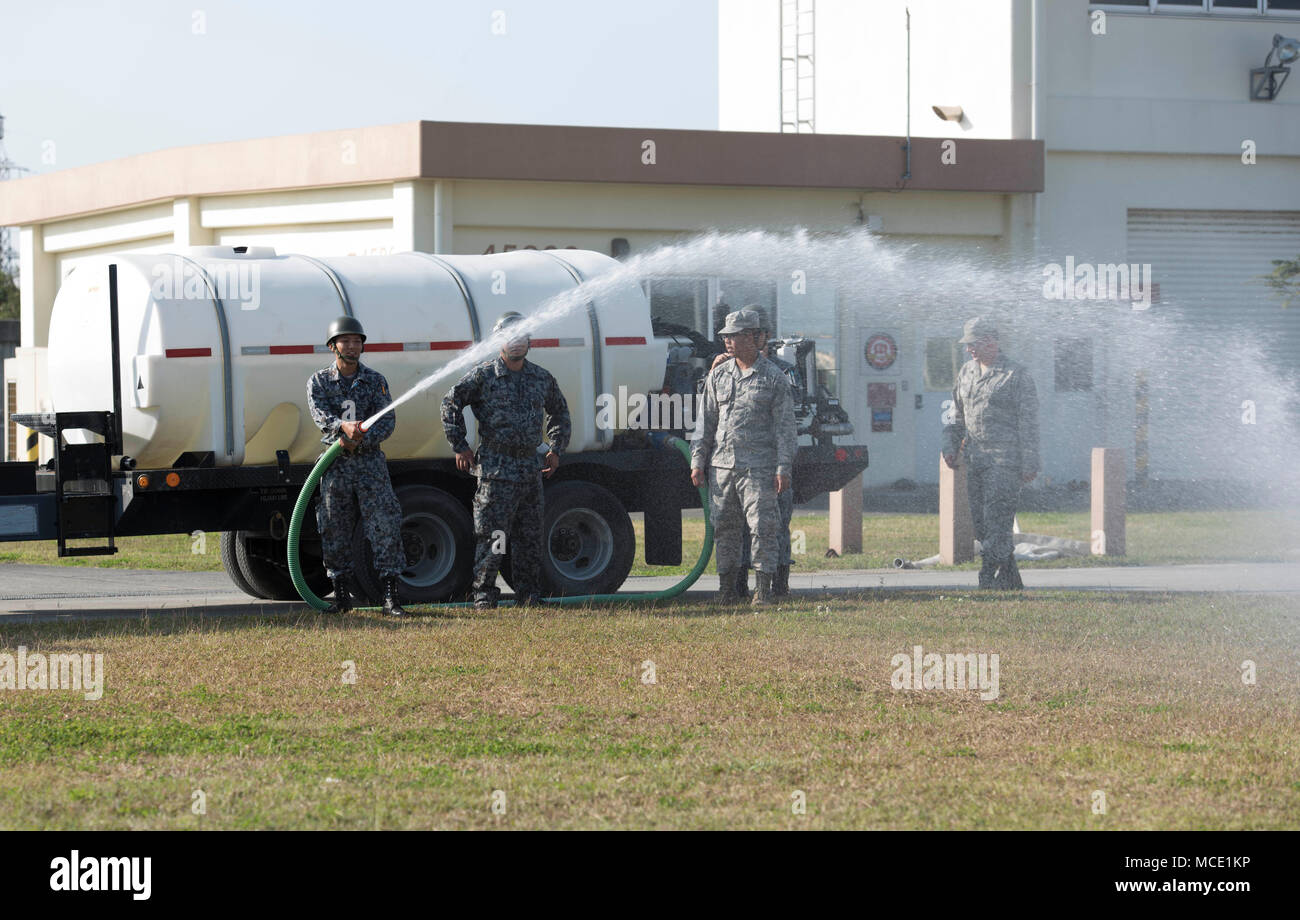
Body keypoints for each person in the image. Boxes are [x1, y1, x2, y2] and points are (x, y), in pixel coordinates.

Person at [441, 312, 571, 610]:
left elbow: (560, 413)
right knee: (493, 536)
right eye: (509, 338)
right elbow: (450, 403)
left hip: (529, 470)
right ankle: (484, 594)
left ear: (529, 342)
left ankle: (529, 595)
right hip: (495, 472)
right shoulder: (483, 376)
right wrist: (460, 446)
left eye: (522, 337)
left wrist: (556, 449)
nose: (516, 343)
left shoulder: (541, 378)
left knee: (529, 537)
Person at [691, 308, 796, 607]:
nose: (727, 341)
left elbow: (785, 429)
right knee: (725, 530)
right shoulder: (718, 375)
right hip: (722, 468)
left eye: (734, 336)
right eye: (726, 336)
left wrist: (782, 466)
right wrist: (697, 461)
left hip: (759, 469)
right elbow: (706, 421)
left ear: (752, 337)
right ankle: (727, 591)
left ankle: (763, 592)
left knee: (763, 528)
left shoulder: (774, 379)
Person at [307, 316, 408, 616]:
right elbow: (320, 416)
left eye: (357, 341)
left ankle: (390, 596)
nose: (352, 346)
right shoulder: (319, 382)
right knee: (334, 527)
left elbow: (387, 421)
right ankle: (341, 596)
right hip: (335, 466)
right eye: (345, 341)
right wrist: (342, 429)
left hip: (370, 466)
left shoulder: (376, 381)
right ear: (332, 346)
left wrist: (359, 440)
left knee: (385, 525)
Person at [942, 317, 1040, 590]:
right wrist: (950, 445)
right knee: (981, 524)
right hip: (976, 460)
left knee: (997, 520)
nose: (968, 349)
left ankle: (988, 576)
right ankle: (1009, 578)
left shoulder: (1015, 375)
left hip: (1006, 462)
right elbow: (955, 415)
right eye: (967, 344)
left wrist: (1030, 462)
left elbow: (1029, 423)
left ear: (991, 341)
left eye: (973, 343)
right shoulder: (966, 373)